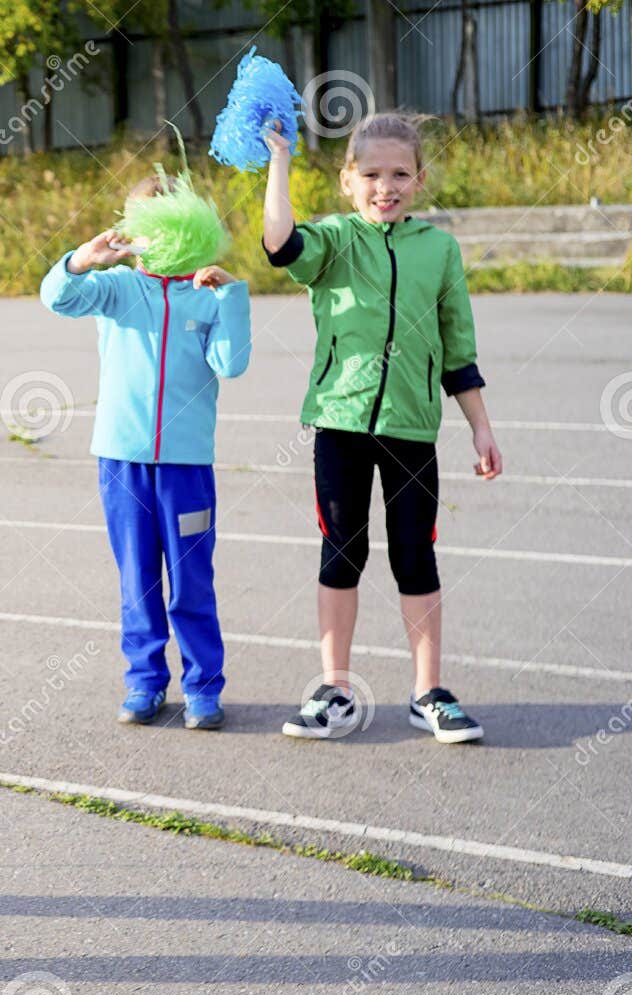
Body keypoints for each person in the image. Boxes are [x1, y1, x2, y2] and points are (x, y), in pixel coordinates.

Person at [261, 113, 502, 743]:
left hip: (412, 429)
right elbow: (280, 245)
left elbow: (459, 349)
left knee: (415, 554)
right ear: (347, 180)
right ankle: (334, 690)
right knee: (342, 550)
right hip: (340, 421)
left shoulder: (439, 250)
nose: (384, 186)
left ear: (419, 180)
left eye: (399, 174)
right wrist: (280, 162)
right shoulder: (335, 240)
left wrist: (480, 427)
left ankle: (428, 693)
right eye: (370, 174)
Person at [41, 174, 251, 730]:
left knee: (191, 580)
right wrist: (82, 259)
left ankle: (203, 686)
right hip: (122, 460)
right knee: (138, 578)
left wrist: (230, 296)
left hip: (186, 466)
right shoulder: (116, 288)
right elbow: (57, 298)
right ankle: (144, 681)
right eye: (141, 229)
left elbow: (231, 364)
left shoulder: (206, 297)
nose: (152, 240)